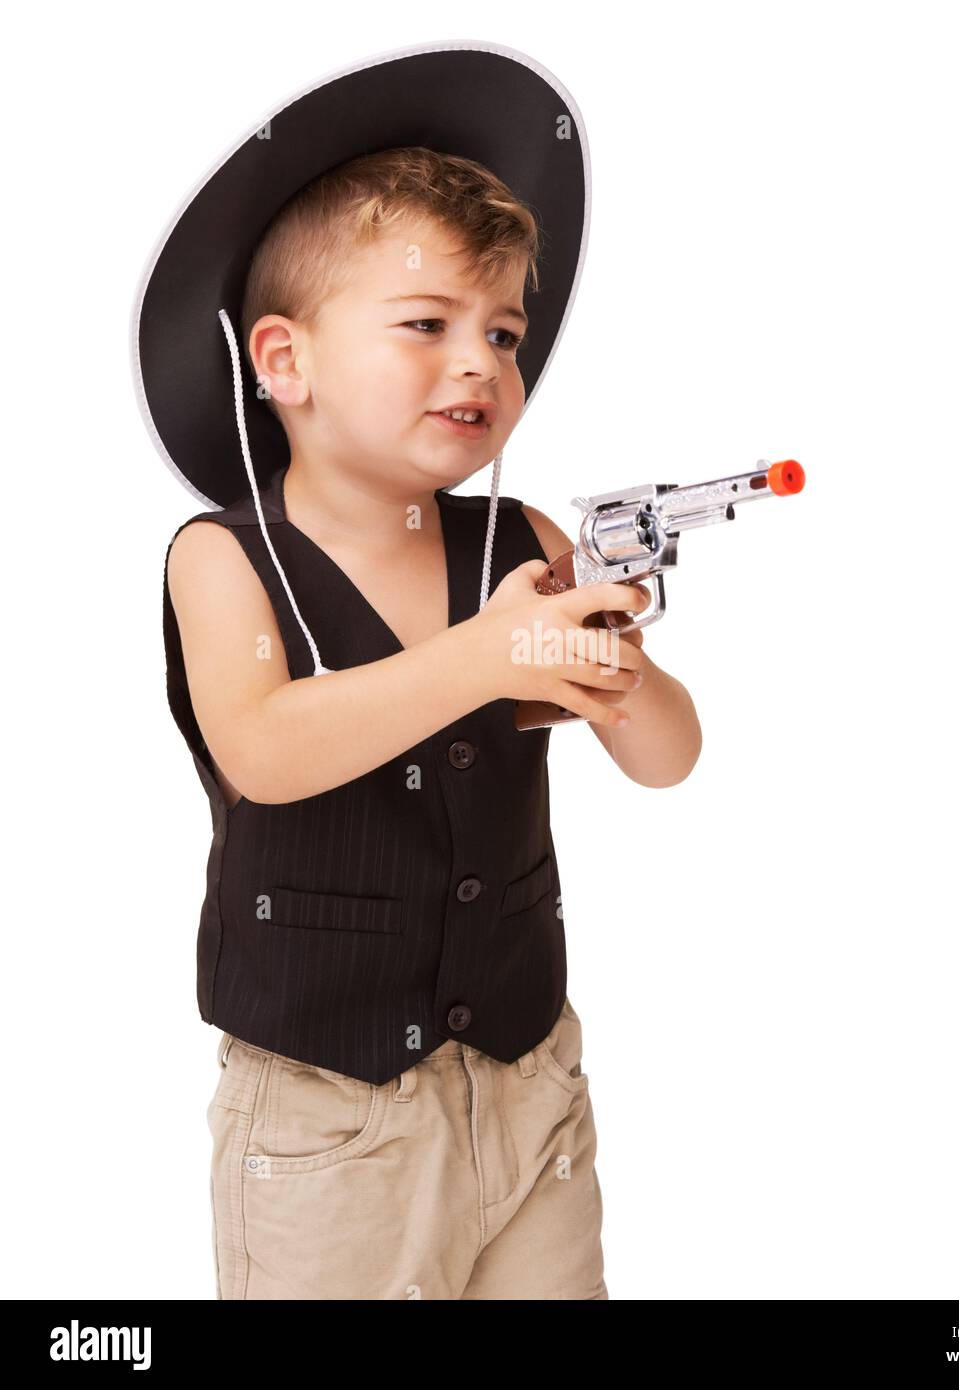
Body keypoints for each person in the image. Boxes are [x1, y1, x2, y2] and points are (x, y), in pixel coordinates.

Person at [134, 42, 701, 1300]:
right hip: (330, 1126)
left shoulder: (523, 545)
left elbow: (670, 758)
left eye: (502, 332)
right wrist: (484, 654)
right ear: (282, 364)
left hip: (527, 1084)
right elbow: (266, 751)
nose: (482, 363)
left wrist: (619, 677)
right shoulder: (224, 560)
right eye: (427, 324)